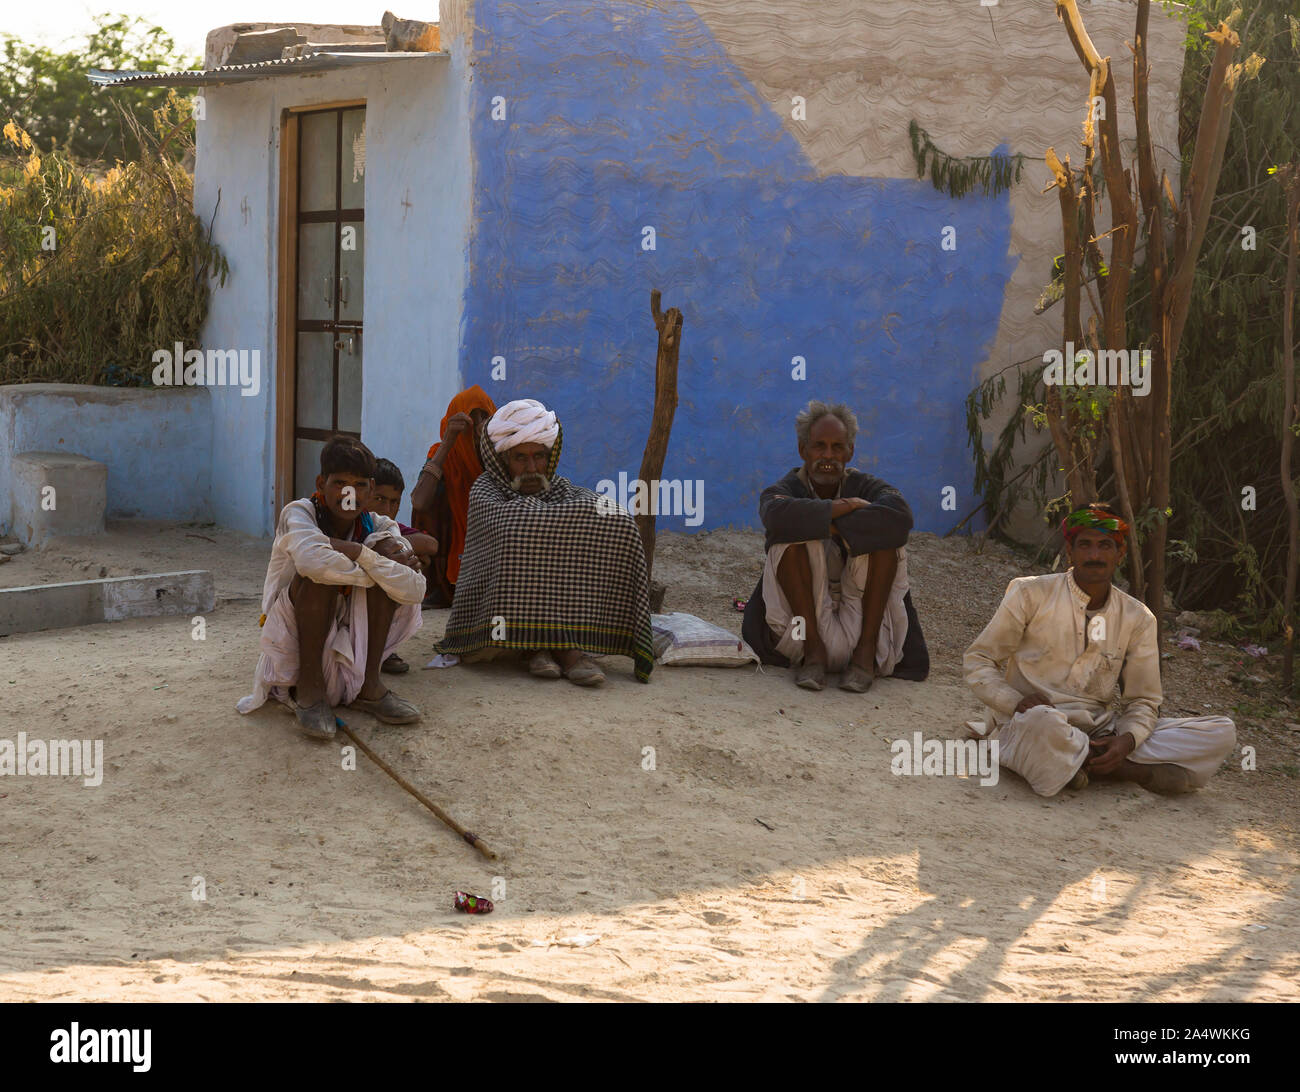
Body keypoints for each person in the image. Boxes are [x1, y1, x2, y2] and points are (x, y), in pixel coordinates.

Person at [963, 503, 1237, 796]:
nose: (1094, 555)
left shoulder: (1138, 618)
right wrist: (1014, 701)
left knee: (1221, 731)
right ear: (1070, 551)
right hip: (1032, 720)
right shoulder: (1029, 593)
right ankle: (1128, 772)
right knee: (1042, 723)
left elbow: (1143, 699)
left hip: (1099, 730)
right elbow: (979, 660)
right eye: (1085, 545)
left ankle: (1081, 762)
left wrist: (1126, 741)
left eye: (1105, 545)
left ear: (1120, 554)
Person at [432, 397, 654, 686]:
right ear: (503, 460)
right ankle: (547, 646)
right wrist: (564, 522)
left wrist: (605, 516)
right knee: (523, 535)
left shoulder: (557, 487)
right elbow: (515, 523)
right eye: (520, 458)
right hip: (496, 621)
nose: (532, 467)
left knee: (617, 523)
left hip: (553, 601)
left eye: (539, 456)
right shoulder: (485, 490)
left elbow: (600, 509)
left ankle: (553, 645)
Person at [236, 436, 426, 738]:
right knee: (320, 579)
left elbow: (414, 589)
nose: (349, 494)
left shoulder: (380, 526)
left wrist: (359, 553)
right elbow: (314, 562)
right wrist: (375, 563)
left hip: (353, 632)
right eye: (339, 483)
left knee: (385, 584)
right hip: (298, 633)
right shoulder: (299, 513)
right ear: (321, 482)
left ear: (372, 489)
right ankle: (310, 692)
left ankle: (370, 688)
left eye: (360, 485)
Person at [742, 400, 929, 692]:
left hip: (866, 627)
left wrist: (821, 521)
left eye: (837, 447)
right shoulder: (784, 489)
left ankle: (865, 656)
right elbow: (776, 516)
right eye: (819, 446)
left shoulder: (867, 485)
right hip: (801, 631)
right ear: (803, 450)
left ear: (850, 451)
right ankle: (814, 653)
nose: (828, 456)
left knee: (888, 540)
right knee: (787, 541)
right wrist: (847, 506)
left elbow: (900, 516)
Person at [410, 386, 497, 606]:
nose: (478, 427)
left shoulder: (500, 455)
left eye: (484, 417)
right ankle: (438, 586)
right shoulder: (443, 454)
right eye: (472, 418)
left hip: (489, 556)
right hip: (449, 553)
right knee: (431, 500)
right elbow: (419, 502)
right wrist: (449, 440)